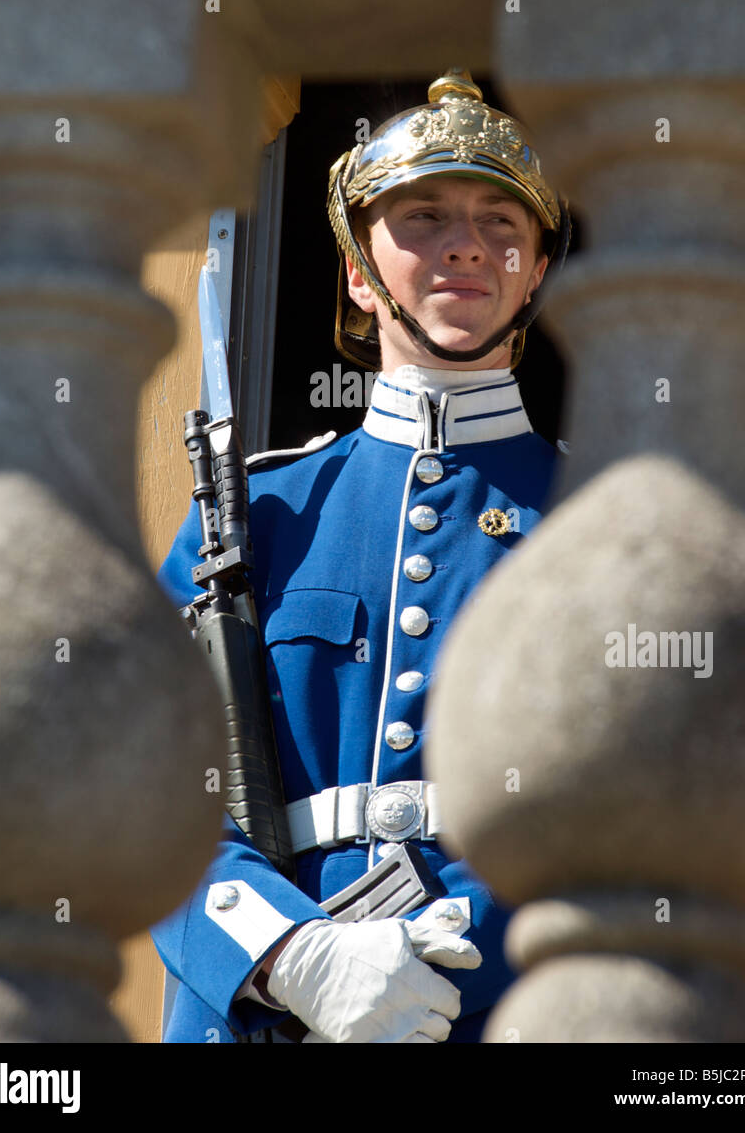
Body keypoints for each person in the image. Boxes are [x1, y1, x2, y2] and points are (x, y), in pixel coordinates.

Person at [151, 68, 571, 1044]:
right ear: (357, 271)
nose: (465, 242)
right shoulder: (253, 514)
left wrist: (468, 948)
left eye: (500, 221)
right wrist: (290, 956)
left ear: (537, 270)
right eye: (421, 215)